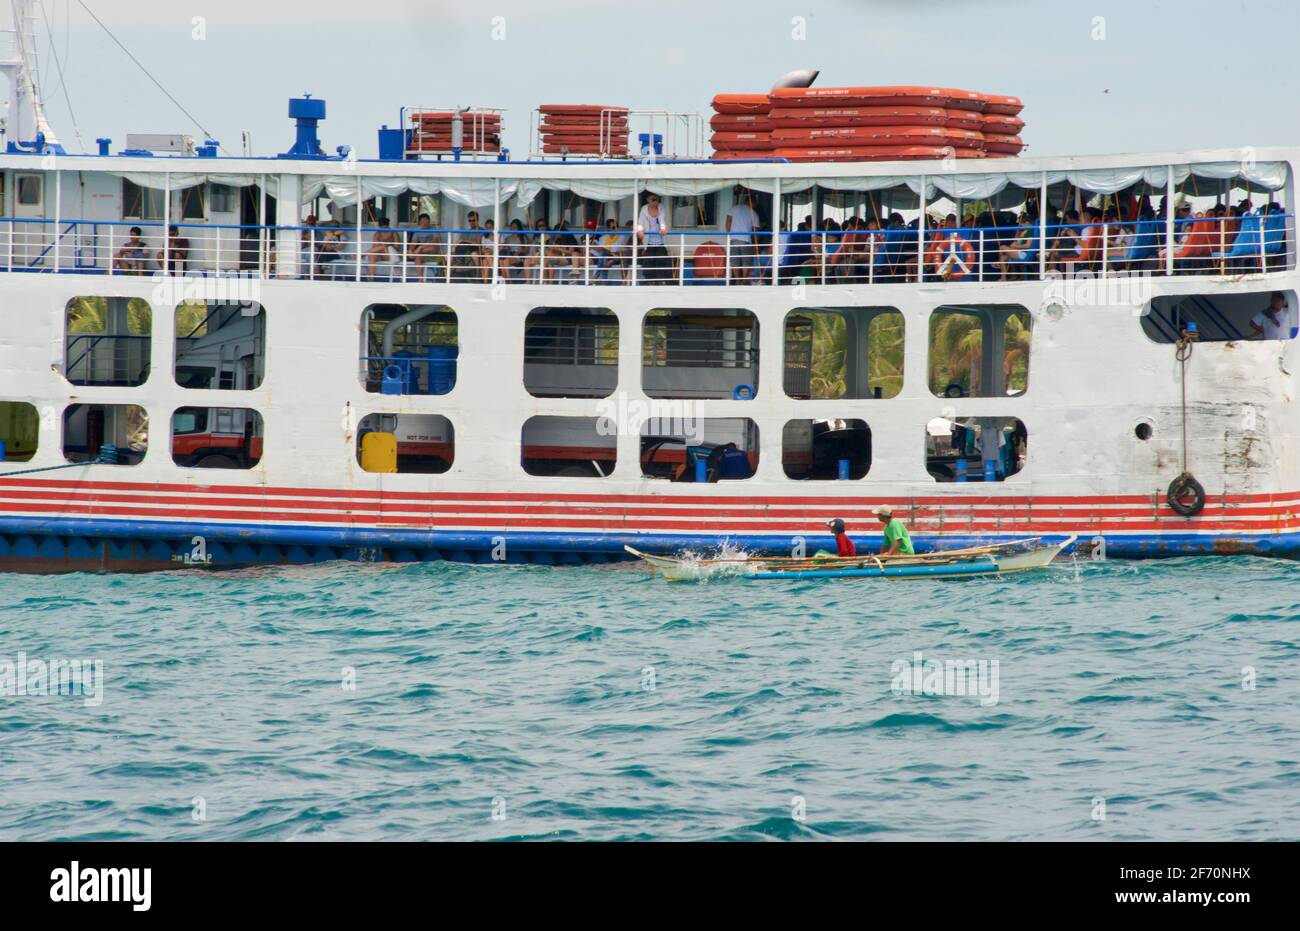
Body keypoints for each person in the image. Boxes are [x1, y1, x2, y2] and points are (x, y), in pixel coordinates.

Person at [725, 185, 760, 282]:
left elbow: (728, 222)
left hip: (734, 239)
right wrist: (755, 245)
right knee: (746, 261)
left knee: (735, 261)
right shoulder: (754, 213)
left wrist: (729, 235)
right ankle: (744, 280)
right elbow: (755, 231)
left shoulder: (733, 209)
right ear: (752, 202)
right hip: (746, 240)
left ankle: (737, 280)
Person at [636, 193, 670, 281]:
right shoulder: (644, 209)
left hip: (661, 241)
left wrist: (663, 228)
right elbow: (640, 222)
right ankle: (650, 282)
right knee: (648, 262)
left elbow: (662, 219)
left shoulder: (661, 207)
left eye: (657, 199)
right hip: (648, 241)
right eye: (653, 199)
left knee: (662, 261)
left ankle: (661, 281)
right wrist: (640, 230)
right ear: (648, 199)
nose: (656, 201)